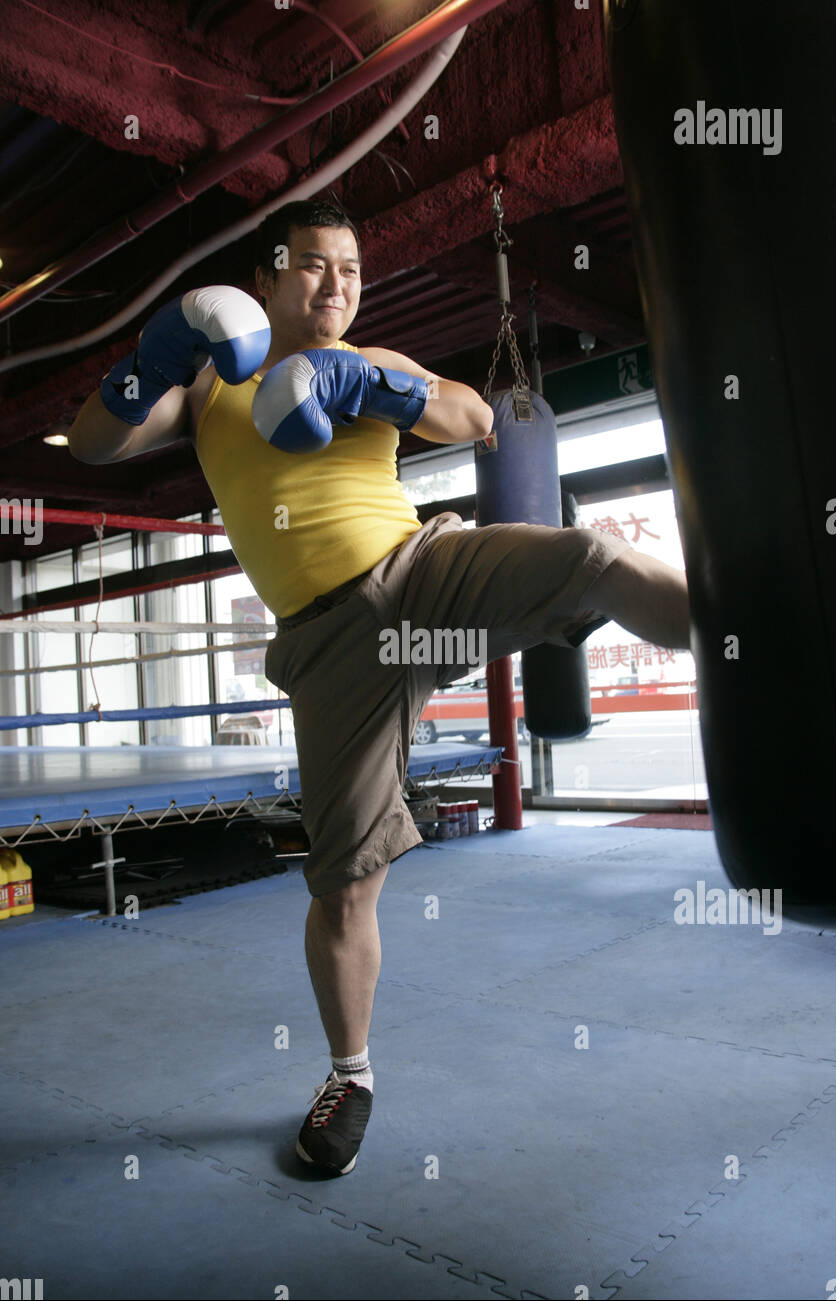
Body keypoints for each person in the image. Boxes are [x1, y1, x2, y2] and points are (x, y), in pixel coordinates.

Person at [68, 199, 691, 1177]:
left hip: (419, 575)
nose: (336, 287)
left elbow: (476, 416)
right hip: (326, 646)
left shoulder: (370, 366)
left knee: (593, 556)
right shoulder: (207, 386)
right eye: (315, 267)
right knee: (347, 882)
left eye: (352, 272)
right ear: (268, 278)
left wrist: (367, 382)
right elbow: (96, 440)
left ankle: (754, 647)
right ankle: (349, 1077)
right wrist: (149, 356)